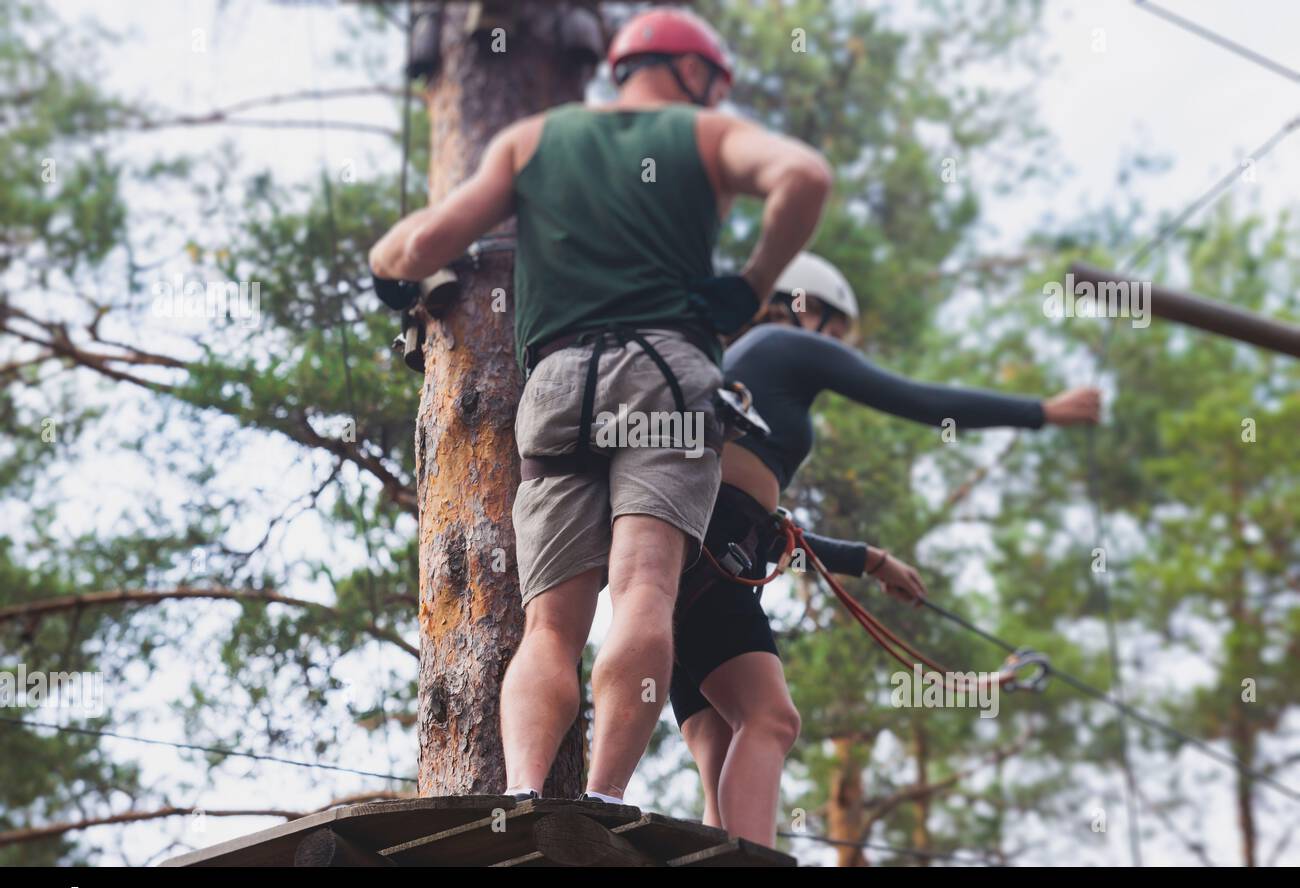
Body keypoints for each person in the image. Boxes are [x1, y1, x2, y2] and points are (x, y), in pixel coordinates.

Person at [368, 7, 834, 803]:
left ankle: (521, 795)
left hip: (554, 386)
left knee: (549, 624)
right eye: (714, 84)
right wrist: (753, 284)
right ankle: (604, 795)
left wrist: (386, 264)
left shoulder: (533, 139)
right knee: (645, 588)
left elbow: (416, 249)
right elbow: (805, 176)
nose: (717, 98)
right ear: (692, 73)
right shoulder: (704, 135)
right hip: (665, 375)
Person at [671, 251, 1102, 844]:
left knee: (724, 736)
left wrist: (869, 561)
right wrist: (1041, 412)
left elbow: (760, 527)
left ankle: (723, 854)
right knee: (770, 719)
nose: (842, 347)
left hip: (684, 554)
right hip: (714, 552)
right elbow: (921, 402)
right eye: (839, 335)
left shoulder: (738, 367)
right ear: (811, 309)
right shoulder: (781, 342)